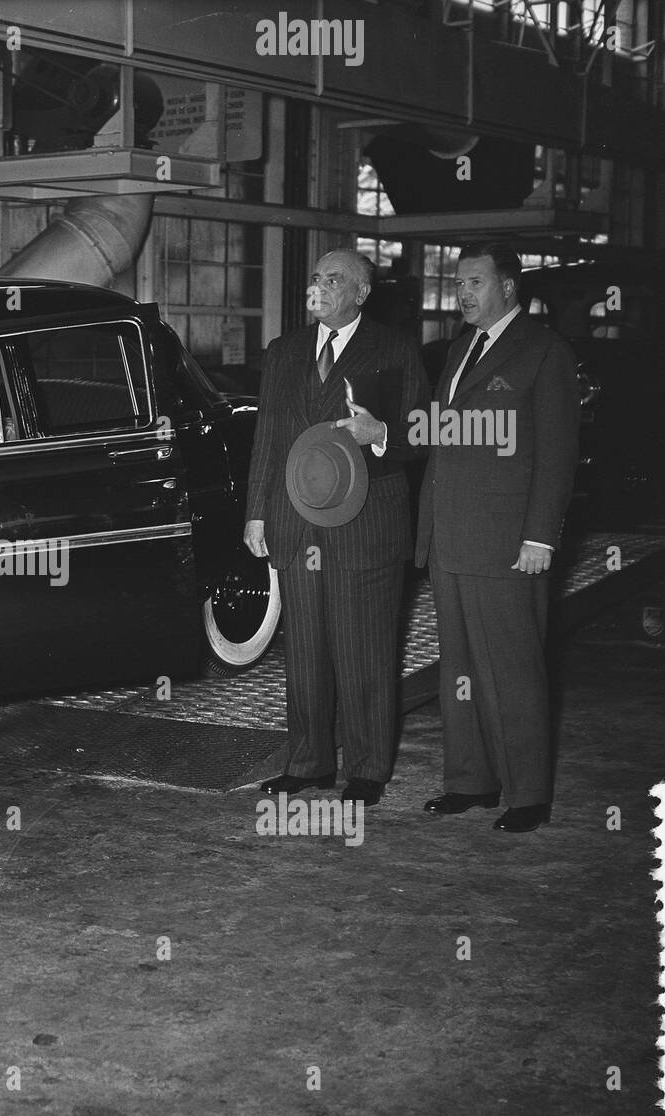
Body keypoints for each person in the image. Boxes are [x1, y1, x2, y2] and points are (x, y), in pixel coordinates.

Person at [244, 249, 430, 806]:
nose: (317, 288)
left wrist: (380, 433)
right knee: (303, 651)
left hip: (364, 524)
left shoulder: (395, 349)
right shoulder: (283, 352)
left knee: (364, 650)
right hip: (296, 520)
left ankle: (368, 769)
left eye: (332, 280)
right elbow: (269, 438)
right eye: (314, 278)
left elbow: (420, 435)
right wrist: (256, 512)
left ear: (360, 293)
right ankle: (308, 763)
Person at [417, 243, 579, 833]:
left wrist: (540, 536)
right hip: (451, 539)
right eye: (460, 282)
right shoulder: (460, 350)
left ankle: (528, 793)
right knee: (457, 668)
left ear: (509, 288)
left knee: (512, 669)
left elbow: (558, 454)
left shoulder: (544, 351)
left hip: (507, 541)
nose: (463, 292)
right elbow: (441, 442)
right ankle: (470, 781)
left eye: (475, 282)